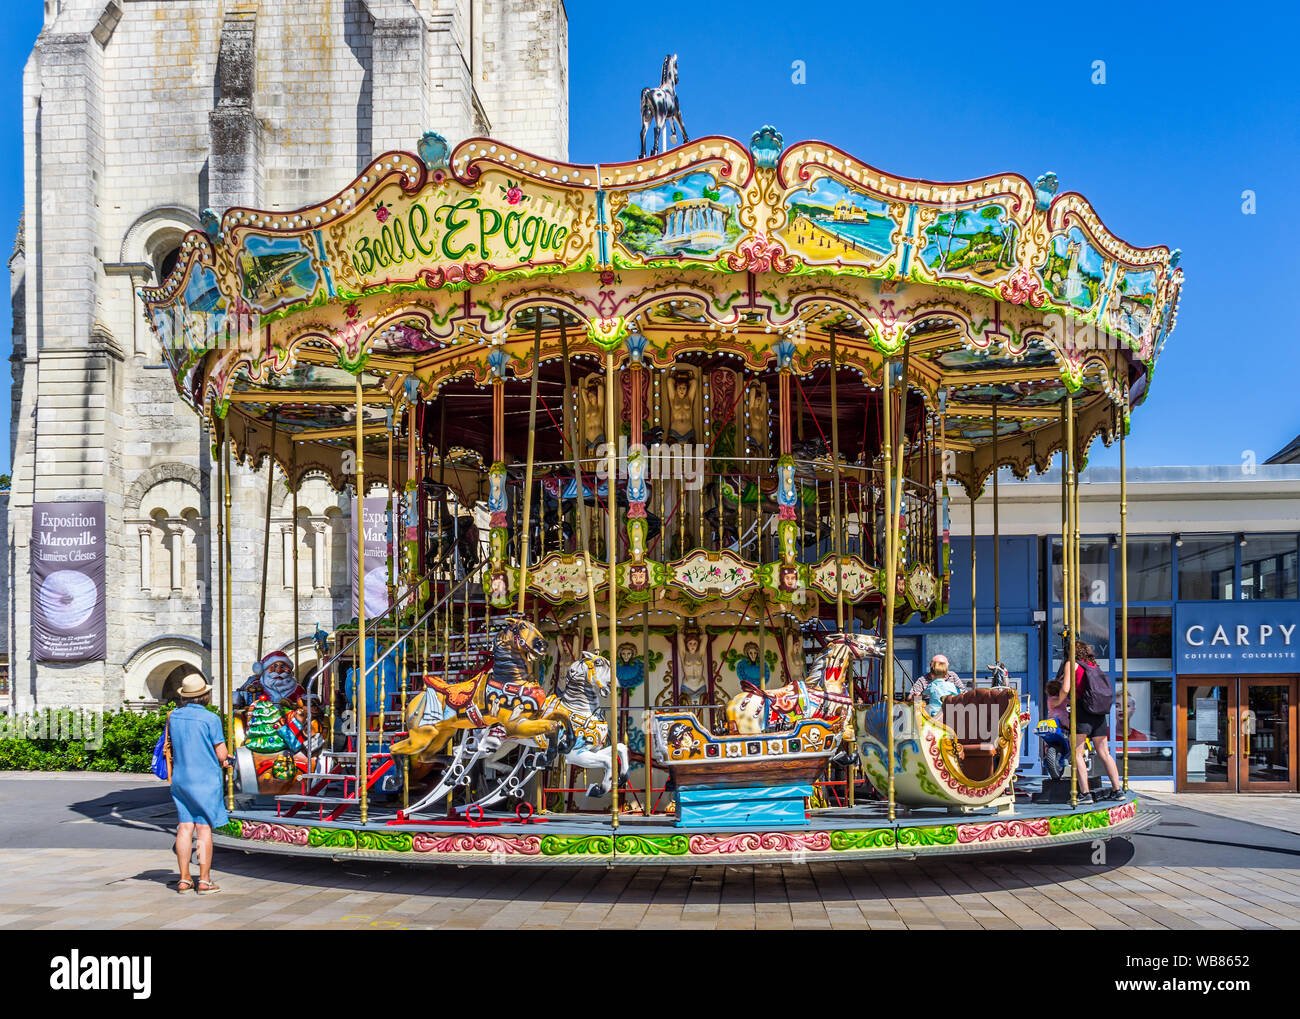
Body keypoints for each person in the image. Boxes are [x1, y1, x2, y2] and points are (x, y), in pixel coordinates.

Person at [167, 672, 234, 894]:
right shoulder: (210, 719)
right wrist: (228, 761)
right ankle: (204, 880)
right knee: (203, 828)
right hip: (205, 779)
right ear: (205, 695)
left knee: (185, 826)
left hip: (181, 778)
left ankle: (184, 879)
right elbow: (221, 754)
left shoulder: (173, 716)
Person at [1056, 642, 1122, 802]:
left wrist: (1058, 702)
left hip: (1082, 711)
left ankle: (1085, 793)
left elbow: (1066, 688)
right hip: (1098, 714)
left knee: (1077, 753)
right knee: (1105, 753)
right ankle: (1117, 790)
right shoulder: (1093, 665)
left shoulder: (1071, 664)